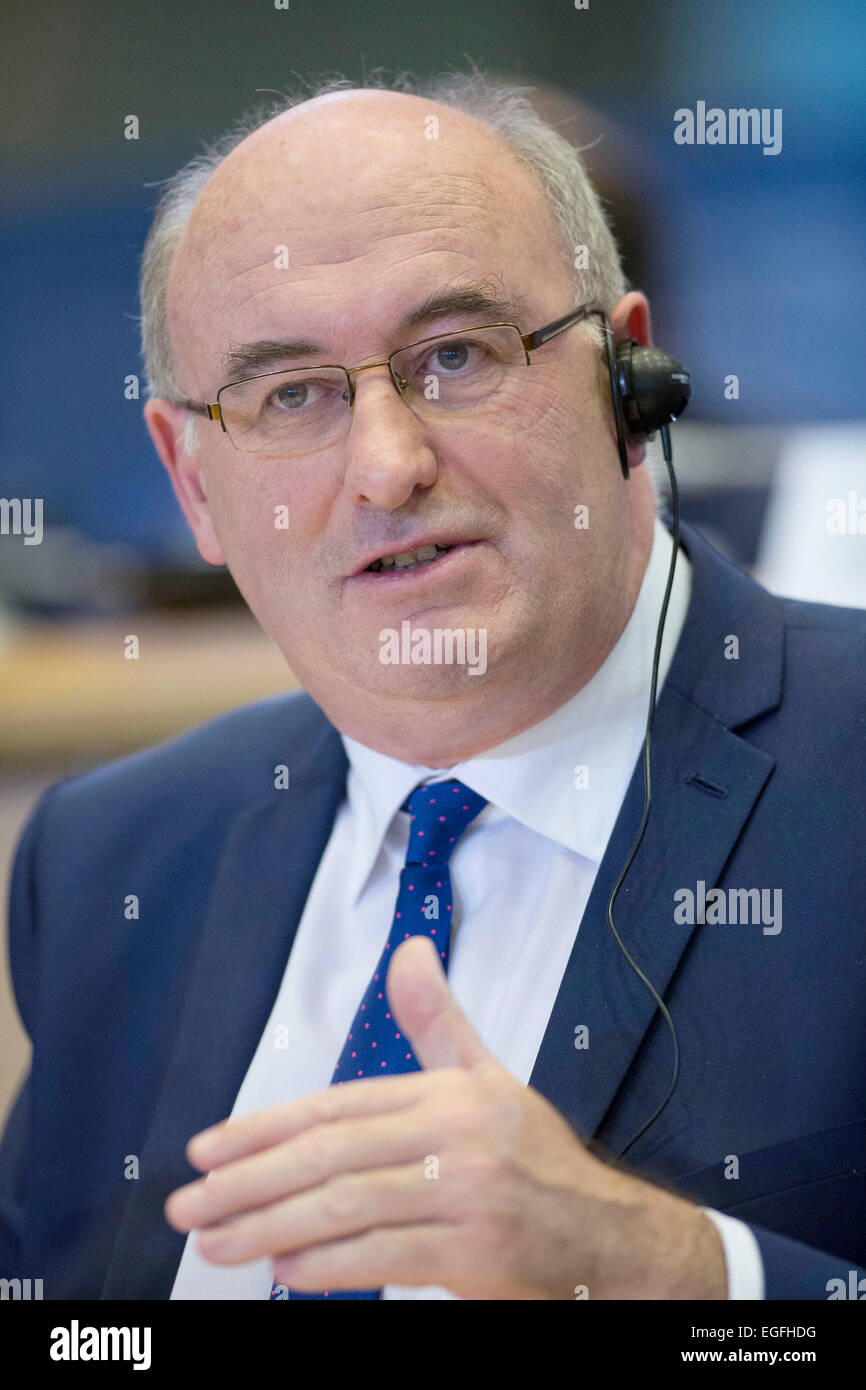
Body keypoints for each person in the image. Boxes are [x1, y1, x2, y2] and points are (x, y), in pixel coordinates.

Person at [1, 71, 864, 1302]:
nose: (387, 466)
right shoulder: (112, 860)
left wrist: (666, 1272)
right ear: (191, 481)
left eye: (455, 356)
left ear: (627, 382)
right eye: (289, 394)